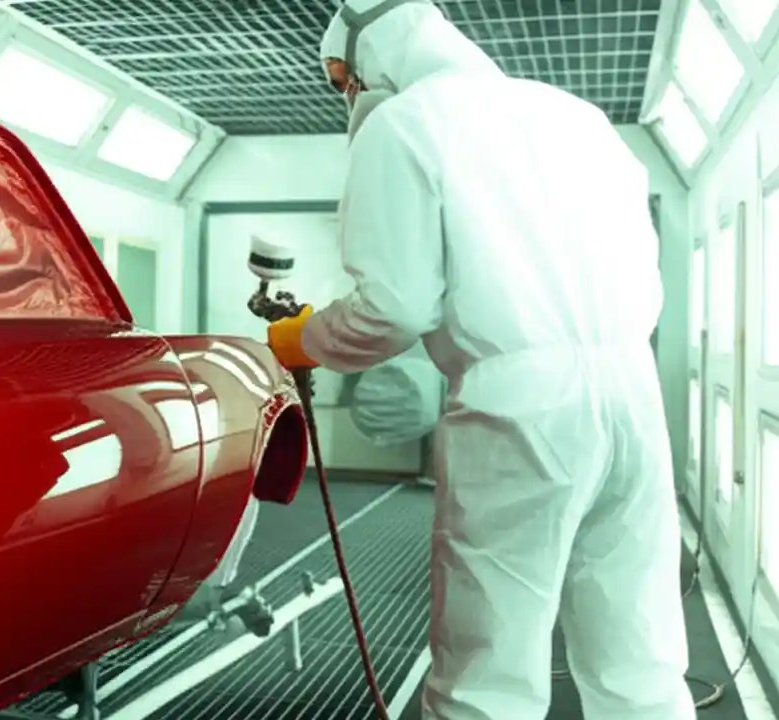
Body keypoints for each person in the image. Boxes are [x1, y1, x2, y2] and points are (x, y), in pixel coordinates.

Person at [265, 1, 696, 718]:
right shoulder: (580, 118)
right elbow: (645, 273)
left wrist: (301, 340)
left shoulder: (403, 125)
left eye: (344, 83)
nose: (349, 98)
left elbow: (396, 308)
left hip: (517, 410)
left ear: (366, 63)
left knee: (489, 673)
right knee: (639, 658)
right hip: (633, 394)